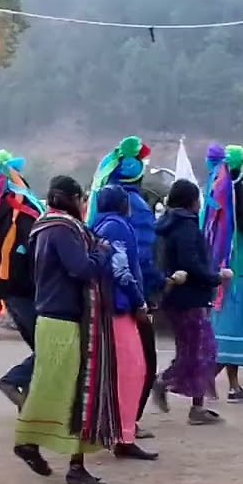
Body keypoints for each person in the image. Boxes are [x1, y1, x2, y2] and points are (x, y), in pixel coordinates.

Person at [12, 175, 119, 484]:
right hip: (66, 318)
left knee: (52, 387)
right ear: (73, 198)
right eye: (82, 198)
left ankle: (33, 442)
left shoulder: (43, 228)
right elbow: (82, 268)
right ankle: (69, 462)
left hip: (49, 315)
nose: (84, 204)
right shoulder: (63, 229)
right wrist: (103, 251)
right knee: (78, 392)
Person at [86, 135, 165, 439]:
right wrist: (148, 293)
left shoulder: (100, 215)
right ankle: (127, 424)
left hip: (108, 299)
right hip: (126, 301)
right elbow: (134, 262)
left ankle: (120, 422)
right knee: (141, 362)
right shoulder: (131, 213)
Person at [153, 179, 232, 425]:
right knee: (203, 351)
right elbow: (191, 262)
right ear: (191, 201)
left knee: (190, 349)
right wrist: (214, 278)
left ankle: (185, 395)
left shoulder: (164, 226)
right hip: (191, 297)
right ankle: (173, 388)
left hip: (173, 297)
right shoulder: (186, 226)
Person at [91, 184, 158, 461]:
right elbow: (121, 268)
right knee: (132, 371)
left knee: (121, 371)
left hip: (108, 306)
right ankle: (123, 436)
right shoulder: (117, 227)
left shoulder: (97, 225)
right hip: (120, 308)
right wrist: (139, 300)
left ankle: (119, 433)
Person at [200, 144, 243, 401]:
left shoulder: (212, 200)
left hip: (217, 273)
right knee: (237, 331)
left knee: (223, 329)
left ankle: (233, 385)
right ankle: (211, 378)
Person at [0, 150, 44, 408]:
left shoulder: (2, 210)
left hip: (12, 287)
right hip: (22, 288)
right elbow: (25, 251)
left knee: (42, 347)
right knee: (47, 349)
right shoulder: (18, 212)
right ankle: (12, 381)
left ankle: (30, 401)